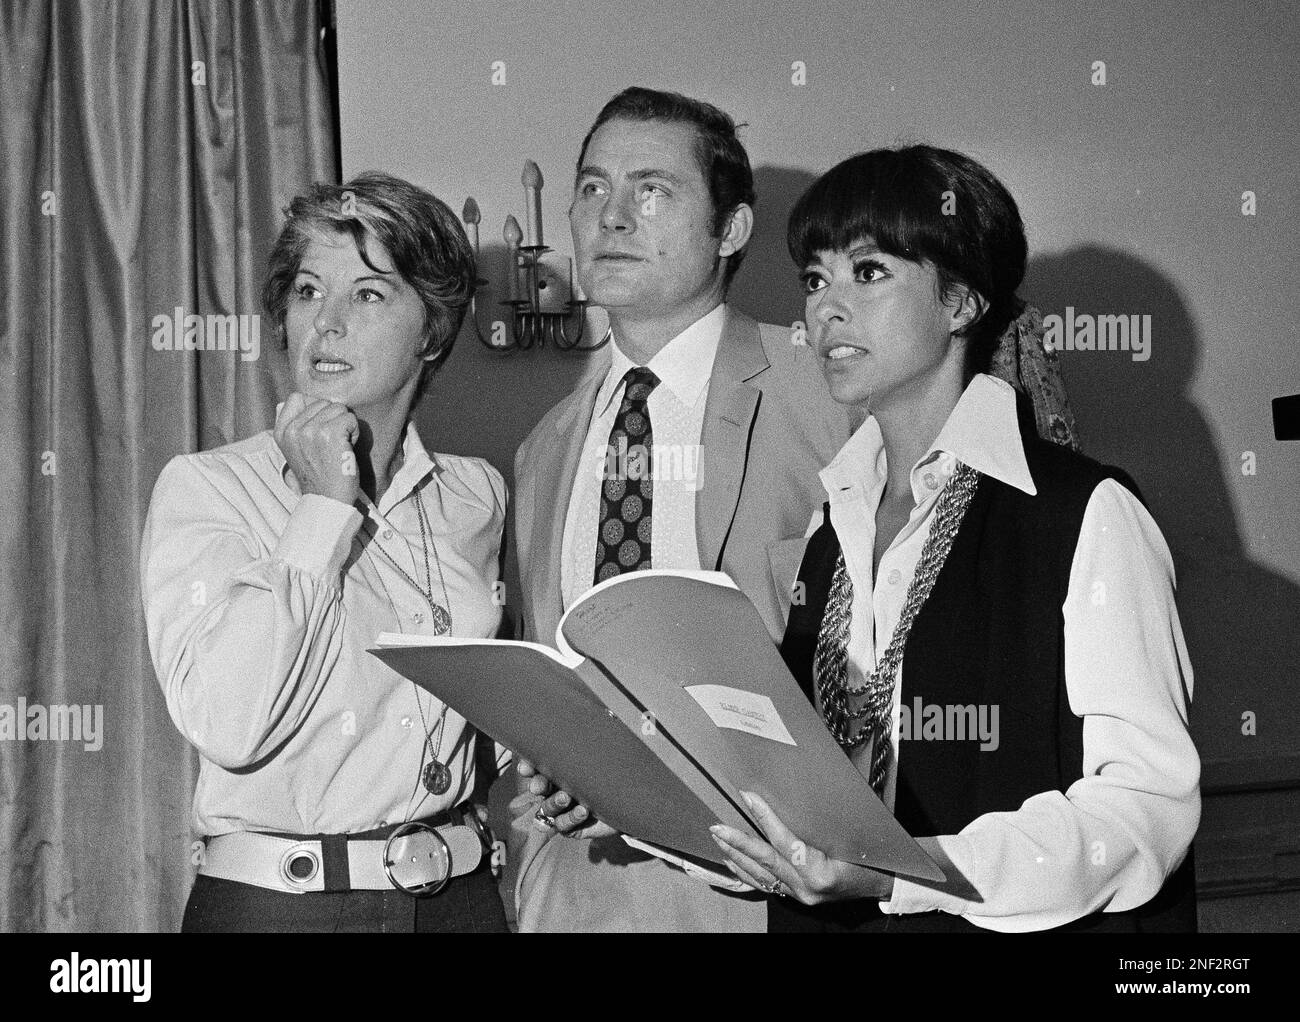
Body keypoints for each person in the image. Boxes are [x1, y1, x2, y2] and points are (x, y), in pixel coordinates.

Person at [709, 145, 1201, 931]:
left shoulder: (1084, 514)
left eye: (868, 273)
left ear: (962, 303)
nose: (824, 309)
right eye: (815, 278)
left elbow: (1143, 812)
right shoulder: (830, 522)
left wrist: (905, 875)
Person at [509, 87, 853, 932]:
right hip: (576, 891)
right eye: (592, 189)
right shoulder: (544, 447)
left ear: (731, 230)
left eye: (652, 191)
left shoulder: (829, 393)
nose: (612, 218)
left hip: (771, 888)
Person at [140, 172, 510, 932]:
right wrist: (321, 506)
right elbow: (229, 722)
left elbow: (494, 705)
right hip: (281, 910)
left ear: (434, 331)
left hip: (459, 902)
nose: (326, 323)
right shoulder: (209, 489)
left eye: (369, 294)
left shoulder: (477, 497)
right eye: (308, 292)